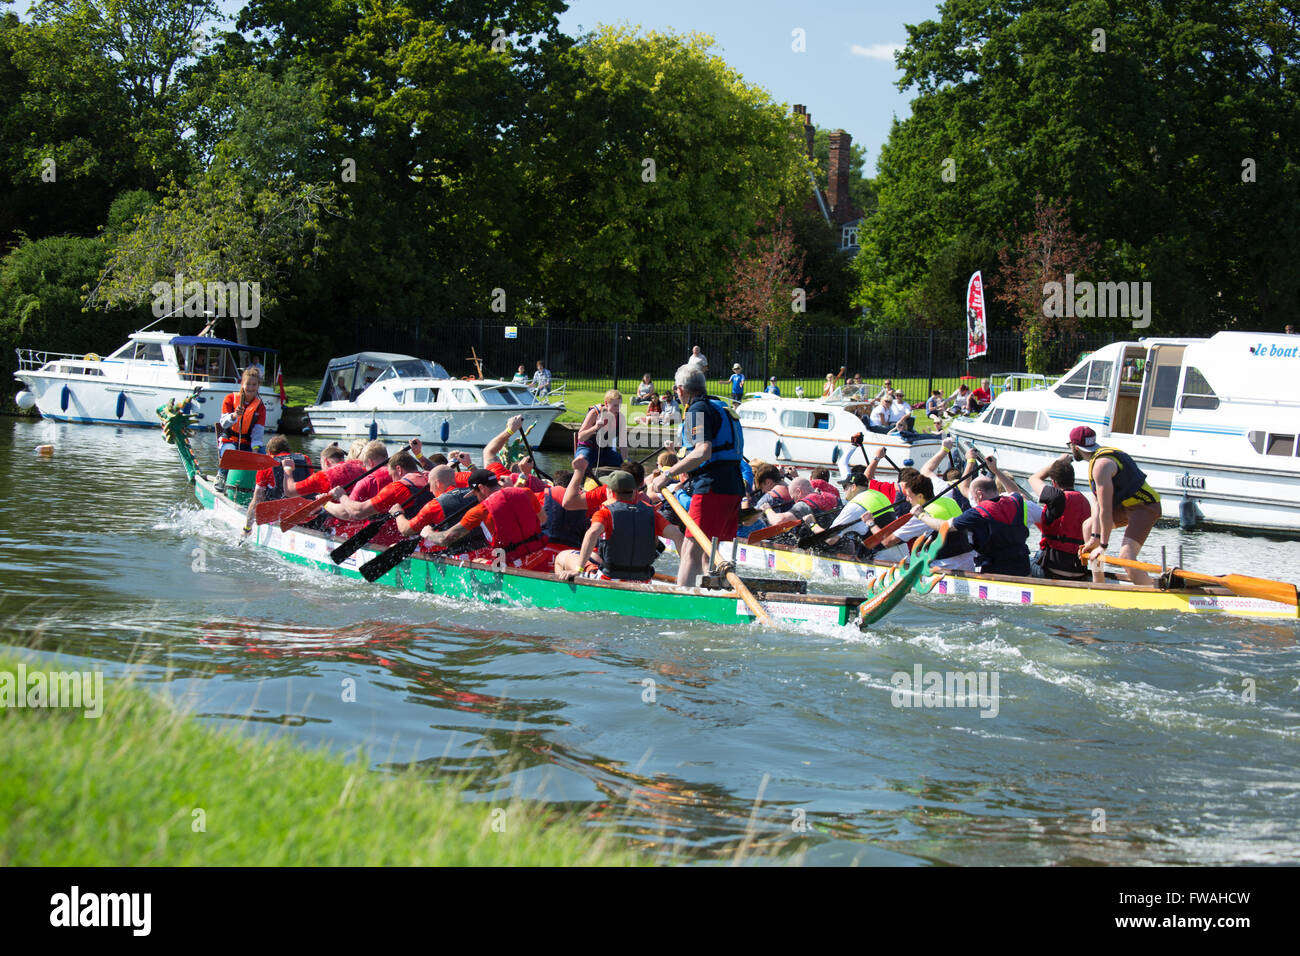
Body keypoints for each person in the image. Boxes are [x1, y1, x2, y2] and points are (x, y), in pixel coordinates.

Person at [648, 364, 745, 586]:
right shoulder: (719, 406)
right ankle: (714, 591)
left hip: (711, 487)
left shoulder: (696, 410)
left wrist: (668, 475)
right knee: (708, 551)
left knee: (691, 549)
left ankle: (682, 602)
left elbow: (703, 451)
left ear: (680, 389)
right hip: (733, 487)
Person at [1069, 426, 1161, 586]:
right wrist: (1094, 539)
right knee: (1088, 525)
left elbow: (1106, 510)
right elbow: (1097, 505)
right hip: (1127, 507)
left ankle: (1155, 594)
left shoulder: (1101, 466)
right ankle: (1099, 583)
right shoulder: (1098, 460)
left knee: (1126, 557)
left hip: (1145, 507)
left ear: (1075, 447)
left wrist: (1103, 546)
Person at [555, 471, 684, 582]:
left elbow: (591, 534)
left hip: (609, 579)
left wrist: (579, 569)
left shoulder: (605, 513)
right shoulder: (652, 514)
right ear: (634, 492)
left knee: (562, 557)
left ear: (610, 491)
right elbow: (678, 536)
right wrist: (684, 573)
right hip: (643, 580)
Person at [912, 470, 1035, 576]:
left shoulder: (976, 513)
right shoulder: (1015, 501)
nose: (971, 499)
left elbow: (944, 527)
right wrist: (996, 470)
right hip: (1023, 568)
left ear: (979, 495)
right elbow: (1015, 490)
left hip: (996, 572)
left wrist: (921, 515)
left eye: (971, 495)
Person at [422, 468, 550, 567]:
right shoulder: (525, 492)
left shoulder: (479, 510)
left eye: (475, 494)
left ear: (481, 488)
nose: (477, 498)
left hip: (512, 565)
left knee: (479, 561)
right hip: (539, 556)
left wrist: (428, 533)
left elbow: (445, 539)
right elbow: (543, 519)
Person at [323, 450, 430, 529]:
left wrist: (341, 496)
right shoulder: (429, 477)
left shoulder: (397, 488)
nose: (392, 479)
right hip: (430, 536)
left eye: (391, 475)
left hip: (411, 539)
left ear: (399, 469)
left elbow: (357, 512)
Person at [1026, 454, 1090, 580]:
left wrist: (1059, 461)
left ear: (1054, 483)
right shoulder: (1085, 502)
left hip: (1051, 570)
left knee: (1017, 559)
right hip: (1079, 571)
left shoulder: (1056, 497)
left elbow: (1034, 478)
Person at [241, 436, 314, 534]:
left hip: (282, 516)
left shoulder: (266, 466)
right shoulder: (305, 458)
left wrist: (247, 528)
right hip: (308, 514)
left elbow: (256, 500)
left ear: (269, 453)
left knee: (260, 494)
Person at [215, 367, 266, 494]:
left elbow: (258, 432)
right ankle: (221, 476)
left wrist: (255, 451)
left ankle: (262, 486)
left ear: (258, 386)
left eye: (254, 384)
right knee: (231, 452)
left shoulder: (260, 407)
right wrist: (234, 416)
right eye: (248, 384)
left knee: (265, 455)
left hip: (248, 443)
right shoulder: (230, 399)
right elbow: (223, 422)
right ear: (242, 384)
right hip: (229, 441)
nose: (250, 387)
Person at [573, 390, 624, 476]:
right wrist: (596, 427)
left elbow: (623, 445)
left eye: (619, 406)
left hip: (605, 452)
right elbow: (580, 437)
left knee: (628, 464)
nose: (618, 409)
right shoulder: (594, 413)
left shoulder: (620, 418)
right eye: (615, 406)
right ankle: (580, 485)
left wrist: (625, 462)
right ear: (606, 403)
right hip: (587, 449)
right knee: (582, 462)